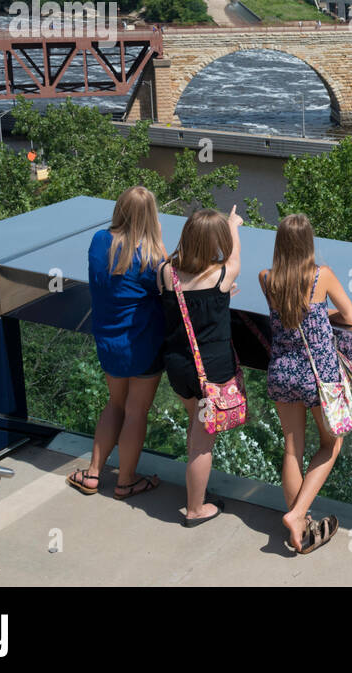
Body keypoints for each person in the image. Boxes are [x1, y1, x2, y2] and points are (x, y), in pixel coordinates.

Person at [260, 214, 352, 554]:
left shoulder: (267, 278)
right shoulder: (322, 275)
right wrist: (321, 315)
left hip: (282, 371)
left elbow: (286, 313)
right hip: (318, 376)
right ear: (308, 244)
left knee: (292, 450)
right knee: (331, 444)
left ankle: (298, 531)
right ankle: (298, 514)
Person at [67, 186, 167, 499]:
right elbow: (168, 286)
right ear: (152, 216)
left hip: (109, 341)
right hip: (144, 345)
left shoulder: (99, 242)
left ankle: (94, 474)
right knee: (137, 412)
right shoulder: (152, 256)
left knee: (115, 404)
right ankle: (125, 481)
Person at [159, 206, 243, 527]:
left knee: (196, 428)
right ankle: (196, 508)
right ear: (216, 242)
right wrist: (233, 225)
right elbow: (233, 256)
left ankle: (198, 492)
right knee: (202, 444)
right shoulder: (223, 276)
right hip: (213, 374)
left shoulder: (166, 273)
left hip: (179, 366)